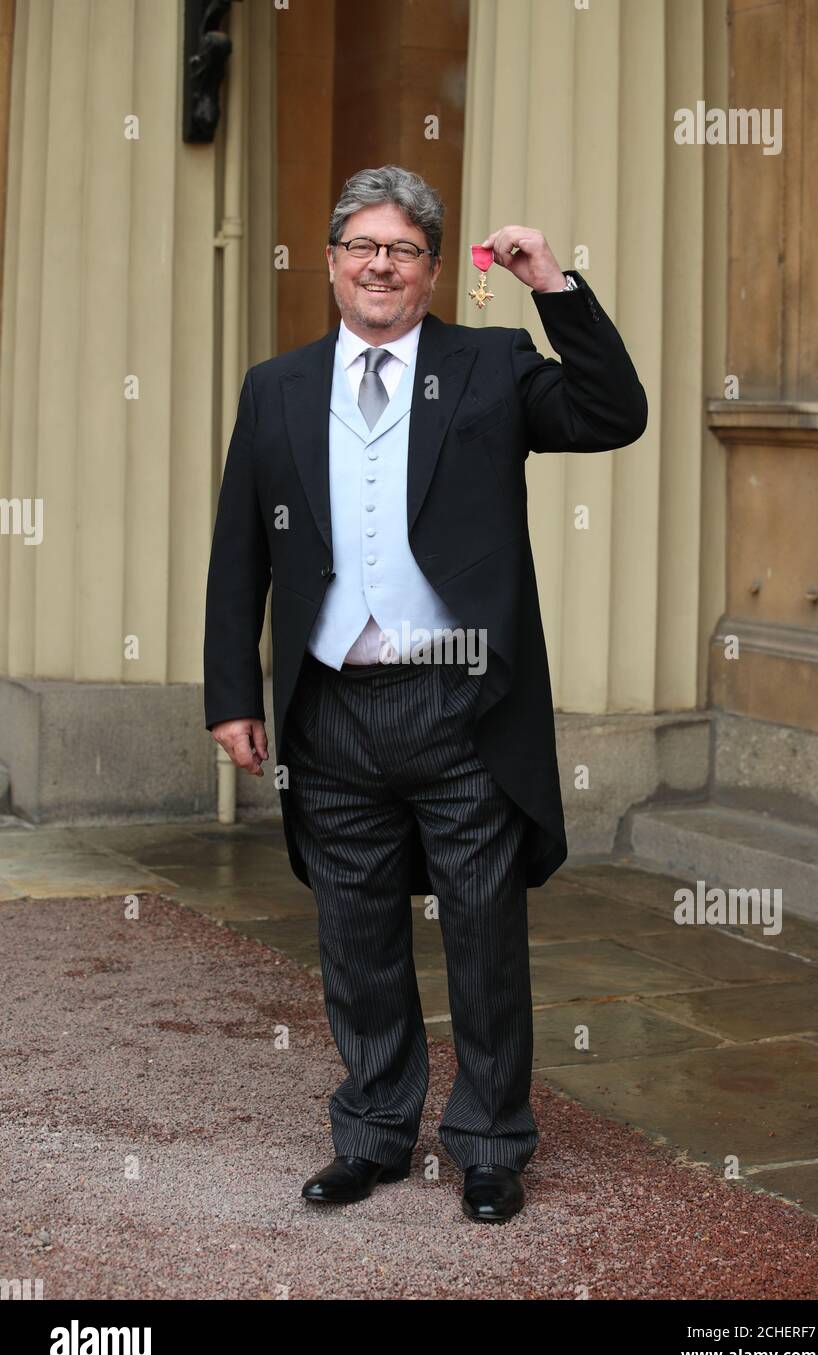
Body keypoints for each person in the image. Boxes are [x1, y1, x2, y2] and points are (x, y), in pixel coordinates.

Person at [203, 165, 647, 1223]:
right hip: (333, 709)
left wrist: (553, 284)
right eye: (361, 245)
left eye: (402, 250)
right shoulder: (276, 386)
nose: (379, 265)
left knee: (482, 931)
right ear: (329, 260)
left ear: (434, 271)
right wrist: (232, 691)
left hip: (459, 708)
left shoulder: (487, 366)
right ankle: (371, 1133)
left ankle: (491, 1142)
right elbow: (237, 555)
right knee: (353, 933)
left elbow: (611, 411)